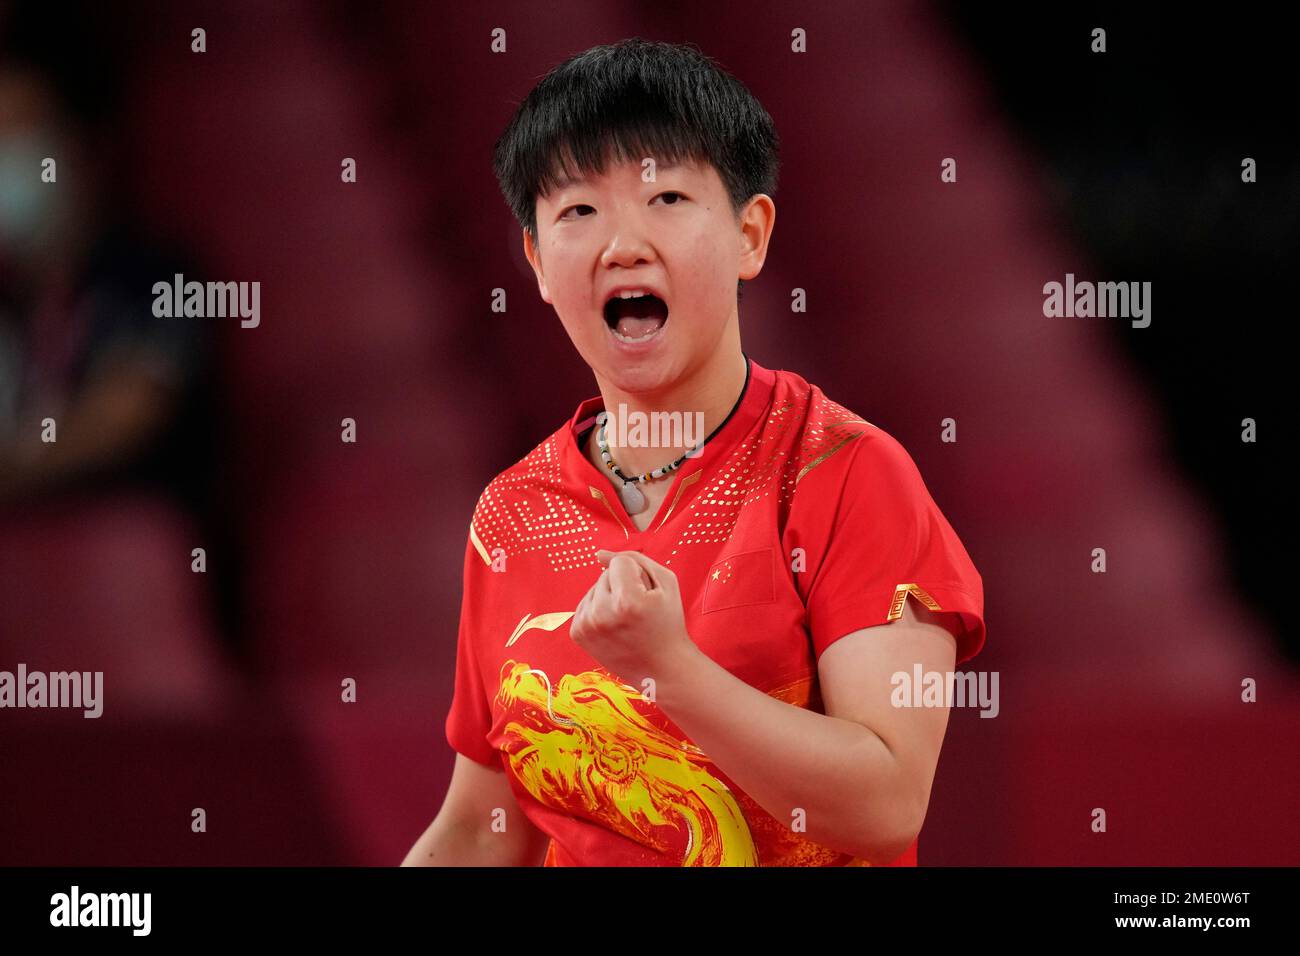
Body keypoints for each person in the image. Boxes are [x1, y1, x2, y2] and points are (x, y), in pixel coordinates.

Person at [403, 38, 985, 867]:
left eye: (667, 197)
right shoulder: (511, 515)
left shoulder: (845, 472)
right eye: (577, 211)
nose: (623, 244)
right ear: (534, 260)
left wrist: (667, 669)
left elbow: (885, 801)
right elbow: (477, 831)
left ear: (751, 234)